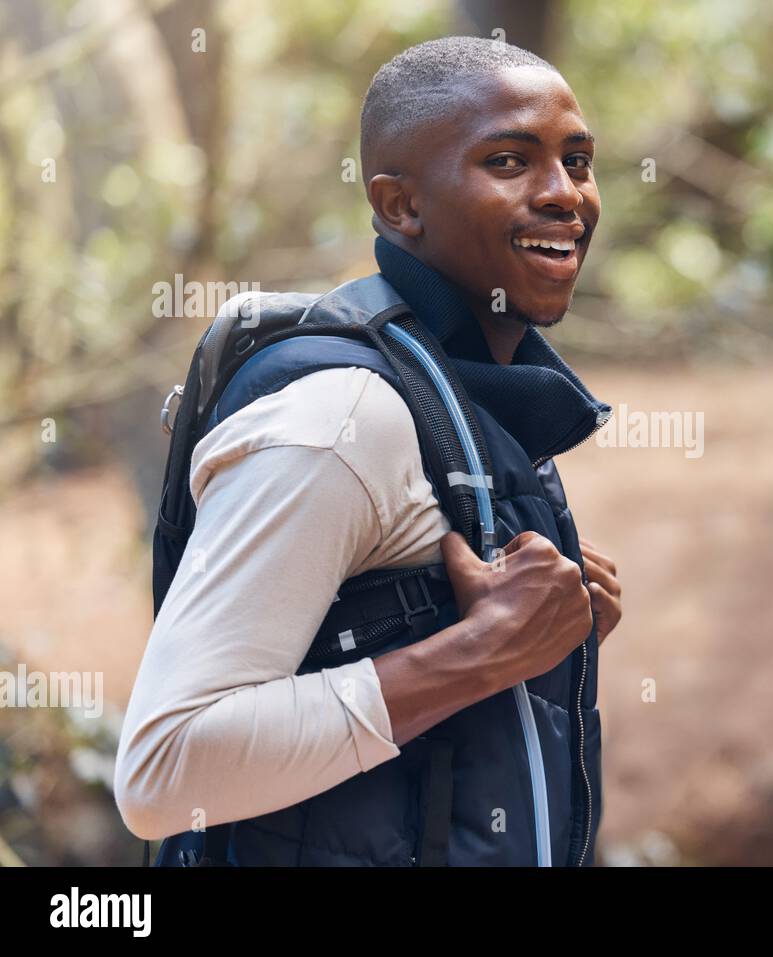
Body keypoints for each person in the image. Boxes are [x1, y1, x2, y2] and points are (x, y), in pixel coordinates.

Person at [114, 36, 622, 866]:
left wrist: (543, 634)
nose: (564, 194)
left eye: (578, 160)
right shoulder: (339, 418)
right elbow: (163, 771)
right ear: (399, 207)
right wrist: (482, 651)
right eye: (509, 160)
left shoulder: (474, 397)